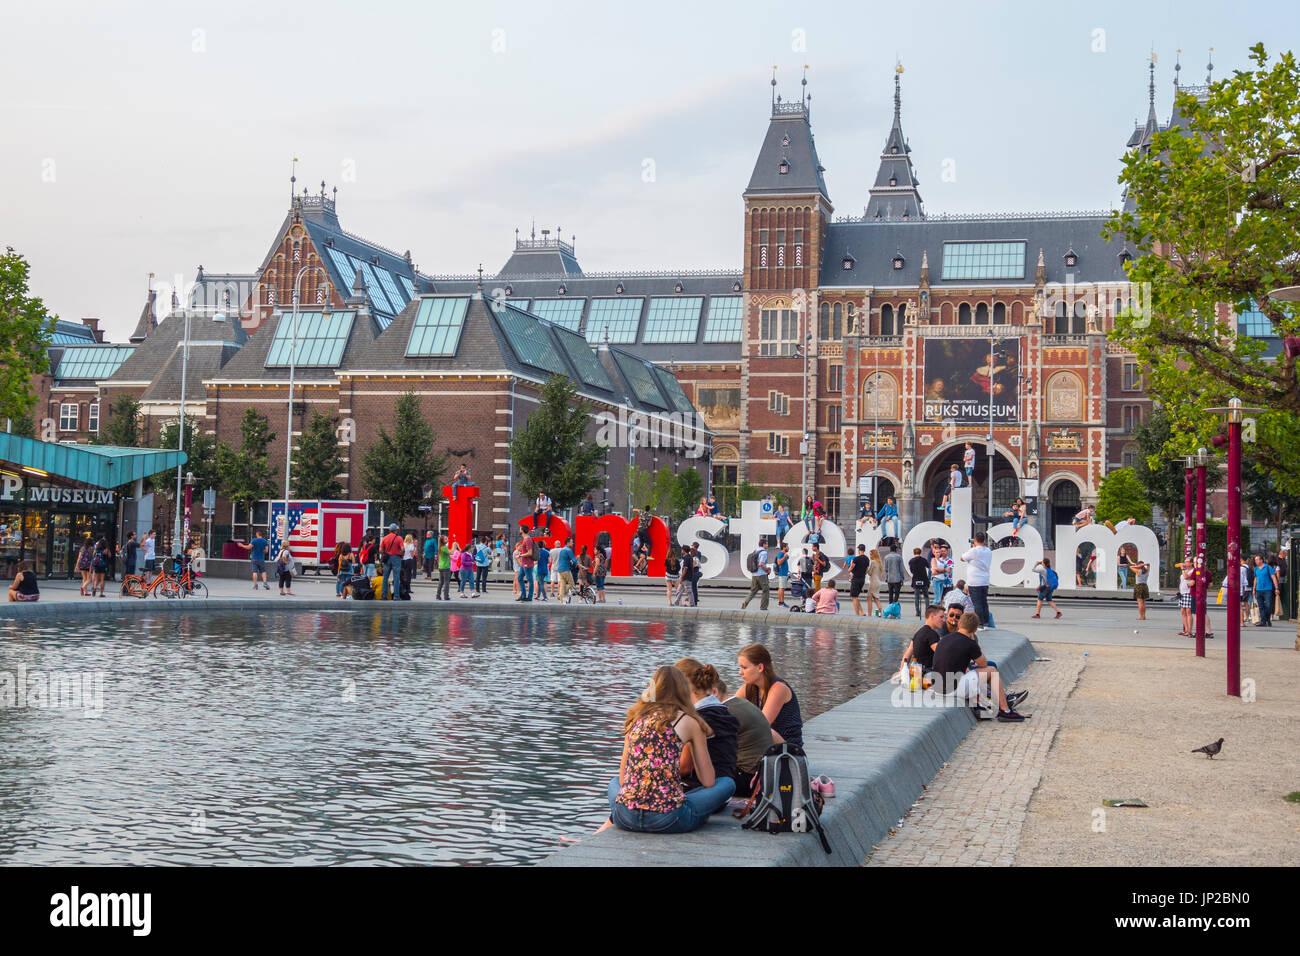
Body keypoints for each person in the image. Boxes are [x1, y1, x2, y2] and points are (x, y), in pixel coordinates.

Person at [603, 666, 735, 834]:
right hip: (668, 819)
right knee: (727, 783)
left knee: (614, 782)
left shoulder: (635, 719)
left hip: (625, 817)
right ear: (684, 690)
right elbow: (708, 781)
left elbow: (623, 779)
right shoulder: (689, 721)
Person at [932, 612, 1028, 722]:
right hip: (952, 689)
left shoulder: (945, 639)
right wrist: (973, 642)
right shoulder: (969, 643)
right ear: (975, 630)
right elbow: (983, 664)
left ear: (959, 624)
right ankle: (1005, 711)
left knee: (971, 674)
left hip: (937, 687)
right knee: (991, 671)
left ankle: (980, 705)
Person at [674, 659, 740, 795]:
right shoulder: (723, 712)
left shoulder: (697, 720)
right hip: (724, 786)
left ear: (684, 683)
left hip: (698, 789)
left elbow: (684, 767)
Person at [717, 676, 773, 797]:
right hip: (760, 774)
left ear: (714, 692)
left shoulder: (723, 713)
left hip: (747, 779)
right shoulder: (741, 702)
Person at [738, 643, 802, 747]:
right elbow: (728, 708)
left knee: (761, 728)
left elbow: (761, 725)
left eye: (744, 667)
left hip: (788, 750)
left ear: (760, 667)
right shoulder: (749, 687)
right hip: (766, 745)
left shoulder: (779, 688)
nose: (740, 672)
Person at [901, 604, 945, 674]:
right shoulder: (931, 634)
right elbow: (942, 654)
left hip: (917, 672)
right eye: (941, 617)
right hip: (928, 674)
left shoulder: (919, 632)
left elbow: (908, 654)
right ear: (932, 616)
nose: (944, 620)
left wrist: (902, 671)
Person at [961, 531, 993, 628]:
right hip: (985, 580)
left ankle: (980, 624)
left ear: (975, 540)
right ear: (984, 540)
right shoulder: (988, 551)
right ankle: (986, 622)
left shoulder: (974, 551)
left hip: (974, 581)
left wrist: (973, 547)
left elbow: (962, 558)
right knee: (984, 602)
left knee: (977, 603)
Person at [740, 541, 771, 611]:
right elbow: (761, 564)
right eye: (766, 544)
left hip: (754, 574)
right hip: (762, 574)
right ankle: (763, 607)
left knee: (753, 591)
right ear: (763, 544)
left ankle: (745, 602)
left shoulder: (755, 551)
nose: (767, 545)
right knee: (765, 590)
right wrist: (767, 570)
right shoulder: (764, 552)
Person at [1253, 553, 1280, 627]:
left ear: (1261, 560)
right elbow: (1255, 579)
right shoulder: (1256, 569)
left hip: (1267, 589)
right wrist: (1254, 589)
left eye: (1257, 560)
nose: (1255, 561)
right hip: (1258, 589)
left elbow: (1274, 578)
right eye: (1255, 560)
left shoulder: (1268, 567)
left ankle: (1267, 619)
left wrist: (1276, 588)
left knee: (1268, 605)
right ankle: (1263, 621)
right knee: (1261, 606)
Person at [379, 523, 404, 601]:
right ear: (396, 530)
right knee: (396, 577)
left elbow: (380, 550)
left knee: (385, 577)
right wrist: (401, 555)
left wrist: (384, 554)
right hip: (396, 558)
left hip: (387, 558)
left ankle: (384, 595)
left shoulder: (385, 538)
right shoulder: (399, 538)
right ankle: (396, 596)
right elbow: (402, 549)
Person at [847, 544, 871, 616]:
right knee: (856, 596)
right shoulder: (867, 559)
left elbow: (850, 569)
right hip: (862, 579)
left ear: (859, 550)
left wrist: (851, 565)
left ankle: (857, 614)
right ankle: (862, 612)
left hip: (855, 579)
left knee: (854, 597)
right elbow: (867, 570)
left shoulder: (856, 559)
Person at [908, 546, 931, 619]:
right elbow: (928, 566)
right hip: (924, 579)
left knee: (916, 597)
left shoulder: (911, 561)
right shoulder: (923, 560)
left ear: (914, 553)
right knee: (926, 596)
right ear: (920, 553)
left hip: (916, 580)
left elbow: (911, 571)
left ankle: (917, 612)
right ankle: (927, 611)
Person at [513, 533, 535, 601]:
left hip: (527, 564)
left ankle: (530, 597)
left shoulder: (528, 540)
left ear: (522, 530)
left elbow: (530, 553)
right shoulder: (525, 539)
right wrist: (521, 554)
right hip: (523, 563)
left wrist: (520, 556)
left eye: (520, 529)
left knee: (530, 580)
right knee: (519, 578)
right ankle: (523, 595)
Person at [930, 542, 953, 606]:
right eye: (936, 552)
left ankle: (936, 611)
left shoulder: (941, 561)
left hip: (942, 580)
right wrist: (944, 570)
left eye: (939, 552)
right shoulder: (934, 559)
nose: (938, 553)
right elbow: (934, 570)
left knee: (939, 599)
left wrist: (942, 570)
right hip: (937, 579)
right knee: (937, 599)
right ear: (934, 553)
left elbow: (948, 571)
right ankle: (931, 611)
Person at [1131, 551, 1151, 620]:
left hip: (1139, 586)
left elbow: (1131, 567)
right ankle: (1144, 615)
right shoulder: (1147, 571)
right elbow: (1148, 564)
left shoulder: (1138, 571)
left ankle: (1141, 616)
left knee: (1140, 602)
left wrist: (1138, 566)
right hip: (1145, 586)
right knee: (1144, 602)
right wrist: (1143, 564)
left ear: (1139, 565)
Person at [865, 548, 885, 617]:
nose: (870, 556)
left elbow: (870, 573)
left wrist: (867, 568)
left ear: (873, 555)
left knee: (869, 598)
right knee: (876, 599)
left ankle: (869, 615)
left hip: (873, 582)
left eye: (871, 554)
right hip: (877, 581)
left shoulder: (873, 562)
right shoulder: (878, 562)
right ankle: (880, 614)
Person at [1177, 562, 1195, 636]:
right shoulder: (1185, 570)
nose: (1185, 563)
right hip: (1182, 592)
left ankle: (1189, 630)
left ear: (1191, 563)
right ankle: (1186, 630)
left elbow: (1186, 577)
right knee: (1183, 611)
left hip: (1188, 592)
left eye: (1187, 562)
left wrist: (1183, 569)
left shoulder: (1192, 571)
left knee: (1188, 612)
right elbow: (1182, 581)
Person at [774, 543, 790, 607]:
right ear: (784, 547)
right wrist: (784, 557)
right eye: (787, 546)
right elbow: (779, 562)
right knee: (781, 588)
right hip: (782, 573)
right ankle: (781, 602)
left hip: (784, 573)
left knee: (781, 588)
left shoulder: (783, 554)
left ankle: (781, 602)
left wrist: (786, 557)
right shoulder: (781, 554)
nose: (788, 548)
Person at [402, 533, 417, 600]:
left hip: (403, 560)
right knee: (408, 575)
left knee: (404, 574)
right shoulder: (411, 545)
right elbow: (412, 555)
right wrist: (415, 550)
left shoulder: (403, 544)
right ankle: (408, 589)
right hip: (409, 560)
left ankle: (404, 587)